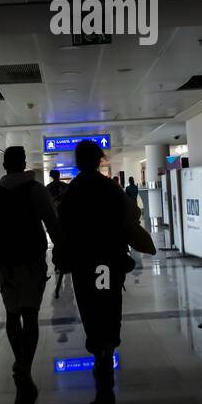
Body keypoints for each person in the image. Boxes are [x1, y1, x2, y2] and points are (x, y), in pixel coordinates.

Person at [55, 139, 131, 390]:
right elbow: (124, 221)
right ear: (99, 160)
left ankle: (98, 347)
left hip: (83, 260)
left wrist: (63, 255)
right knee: (108, 298)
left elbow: (64, 228)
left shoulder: (72, 191)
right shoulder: (110, 188)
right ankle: (108, 345)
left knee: (88, 302)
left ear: (77, 162)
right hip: (107, 259)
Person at [0, 146, 59, 382]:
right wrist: (61, 250)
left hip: (6, 263)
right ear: (24, 163)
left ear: (4, 165)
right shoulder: (36, 190)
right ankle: (26, 363)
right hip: (32, 262)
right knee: (31, 315)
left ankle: (19, 359)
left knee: (12, 315)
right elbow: (52, 223)